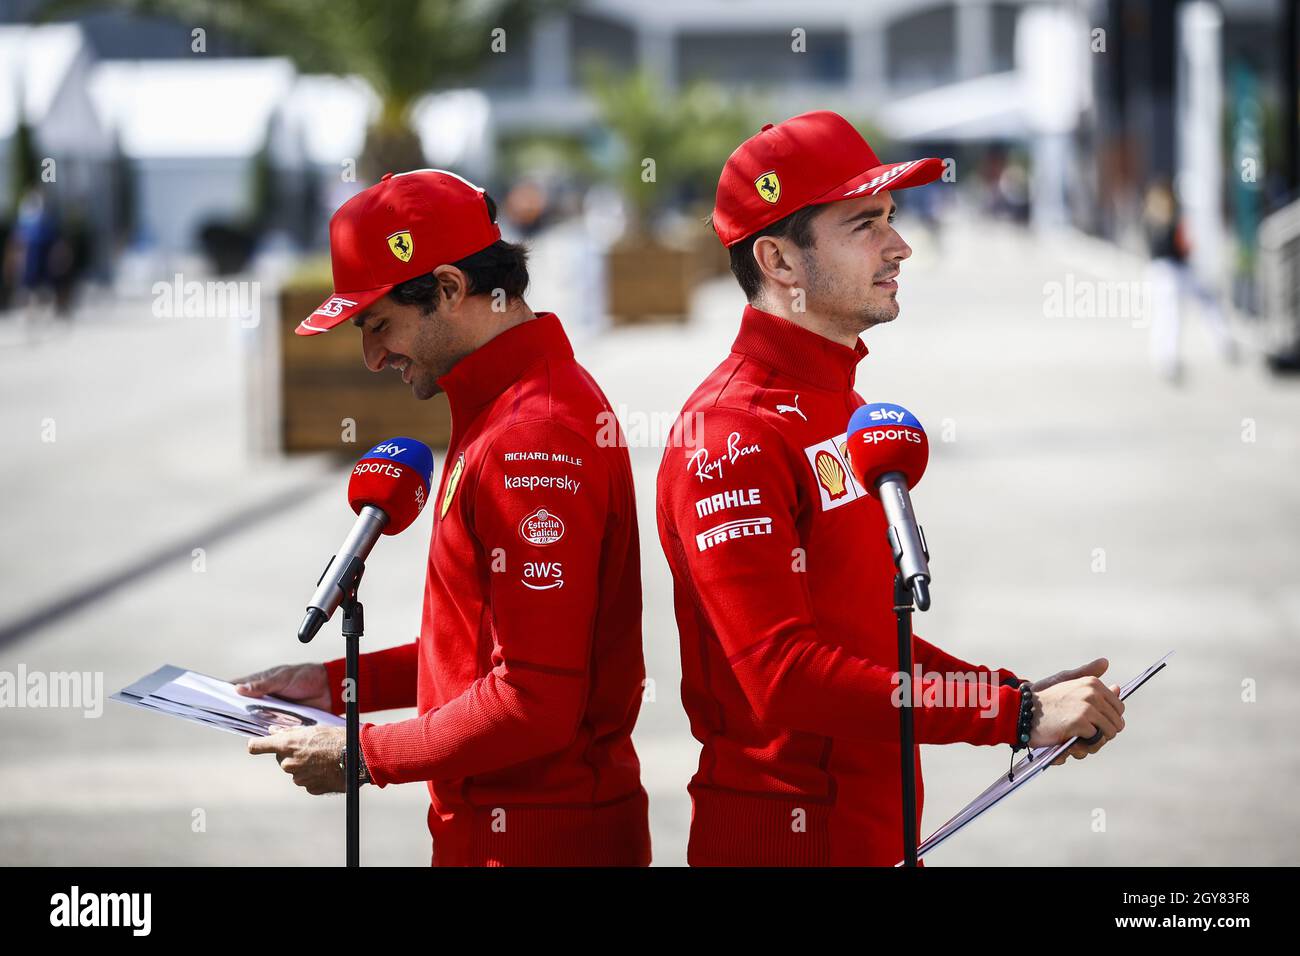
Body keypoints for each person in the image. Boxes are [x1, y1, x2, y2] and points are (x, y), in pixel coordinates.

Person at [656, 111, 1127, 866]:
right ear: (779, 260)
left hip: (872, 831)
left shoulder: (841, 408)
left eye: (892, 218)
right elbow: (784, 676)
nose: (900, 245)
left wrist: (1016, 694)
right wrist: (1013, 713)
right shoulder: (729, 435)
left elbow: (867, 643)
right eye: (865, 224)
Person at [235, 169, 651, 866]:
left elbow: (533, 700)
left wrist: (363, 754)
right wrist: (338, 687)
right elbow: (483, 649)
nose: (372, 358)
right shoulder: (505, 401)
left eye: (380, 326)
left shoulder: (532, 432)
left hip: (540, 842)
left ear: (453, 289)